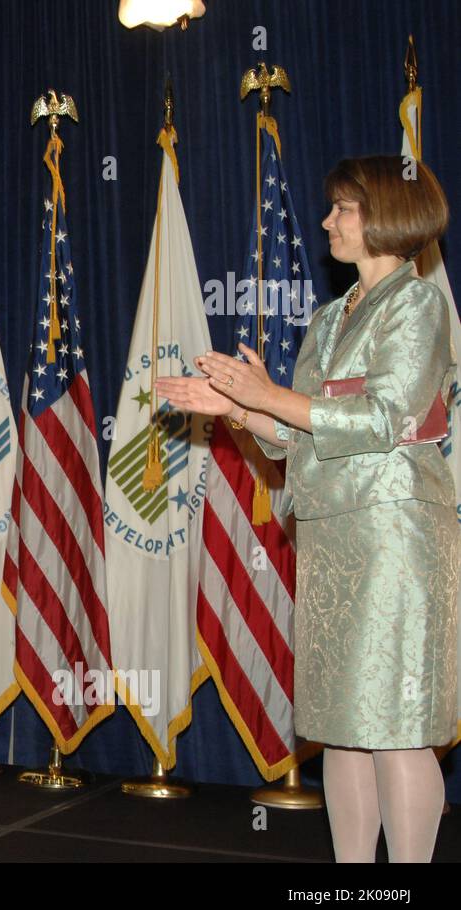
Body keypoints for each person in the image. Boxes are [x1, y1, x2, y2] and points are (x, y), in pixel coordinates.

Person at [157, 155, 457, 862]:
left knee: (398, 725)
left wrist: (266, 398)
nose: (327, 220)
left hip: (394, 534)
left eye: (343, 208)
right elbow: (295, 437)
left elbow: (384, 416)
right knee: (346, 724)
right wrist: (237, 408)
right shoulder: (328, 319)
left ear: (386, 212)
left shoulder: (418, 303)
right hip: (330, 535)